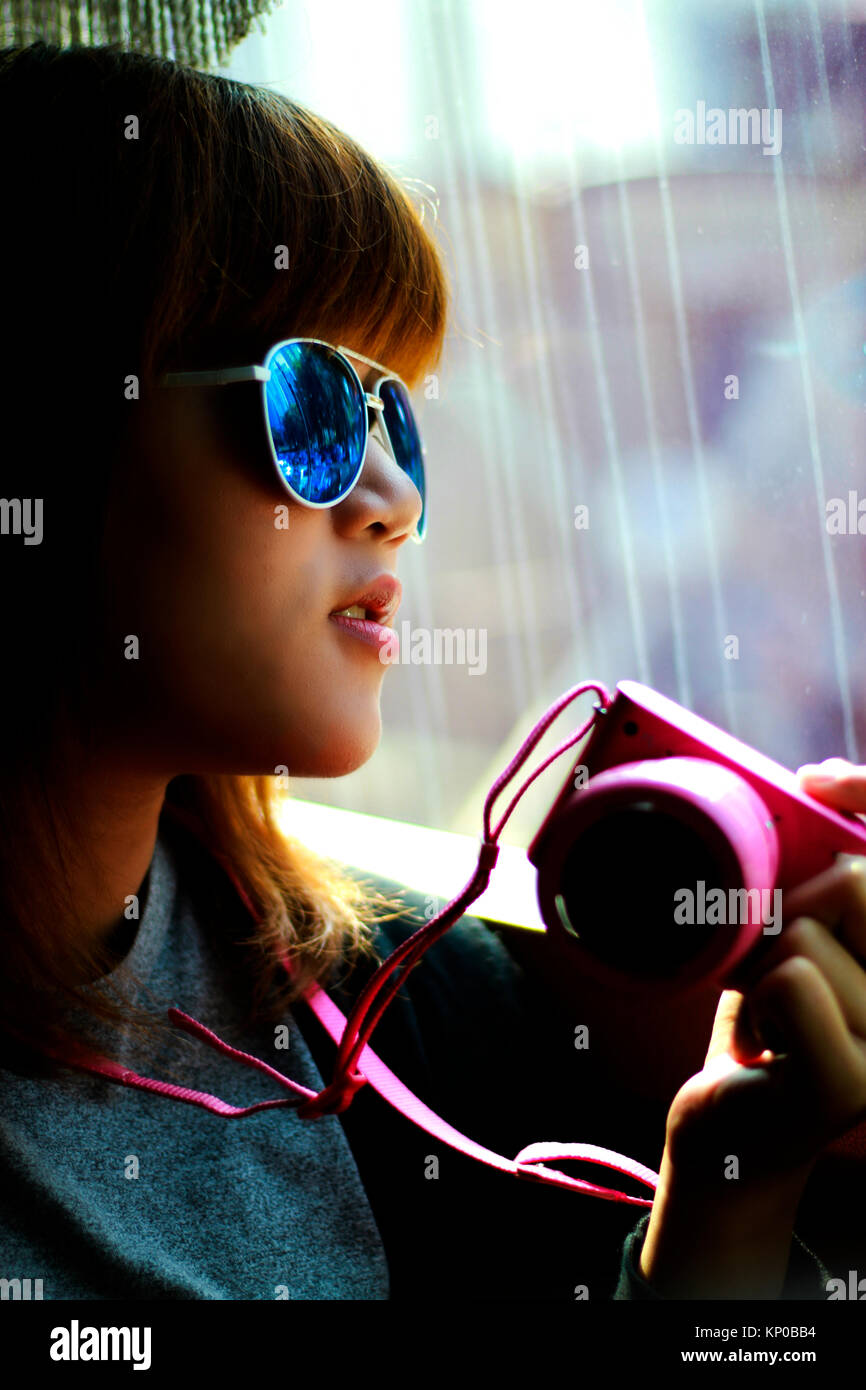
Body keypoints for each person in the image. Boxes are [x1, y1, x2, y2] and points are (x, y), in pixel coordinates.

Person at [0, 39, 863, 1304]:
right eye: (309, 410)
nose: (395, 499)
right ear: (49, 425)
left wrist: (726, 1189)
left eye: (395, 414)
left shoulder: (375, 990)